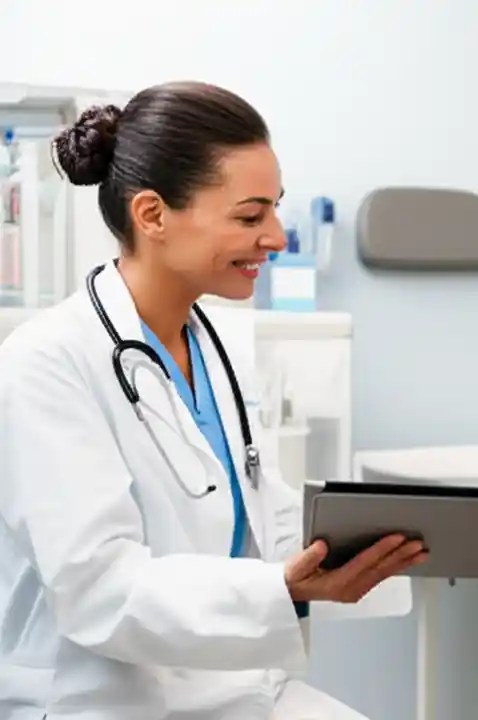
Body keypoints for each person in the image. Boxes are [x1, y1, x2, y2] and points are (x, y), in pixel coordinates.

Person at [0, 81, 426, 719]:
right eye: (250, 217)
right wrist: (279, 587)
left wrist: (357, 543)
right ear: (152, 215)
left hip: (230, 688)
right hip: (97, 702)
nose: (276, 237)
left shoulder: (221, 347)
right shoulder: (47, 363)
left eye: (274, 211)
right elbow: (98, 588)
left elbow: (258, 519)